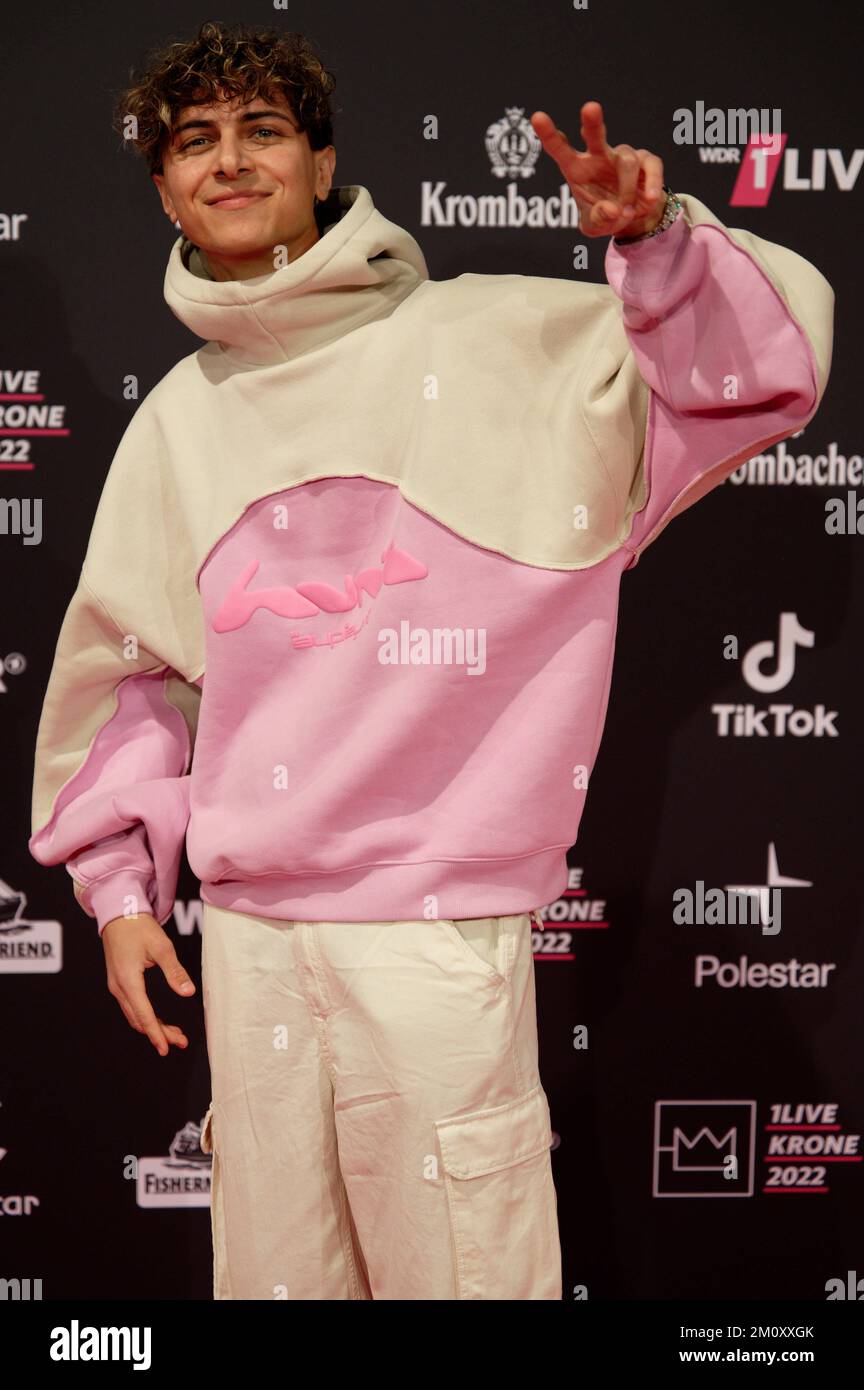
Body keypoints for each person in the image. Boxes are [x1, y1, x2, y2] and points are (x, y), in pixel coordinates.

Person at [27, 20, 834, 1300]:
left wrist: (657, 239)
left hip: (434, 936)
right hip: (248, 943)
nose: (229, 163)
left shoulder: (501, 342)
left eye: (262, 131)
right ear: (164, 185)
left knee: (464, 1279)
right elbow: (128, 679)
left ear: (322, 156)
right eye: (194, 142)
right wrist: (122, 898)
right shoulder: (179, 422)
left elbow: (757, 373)